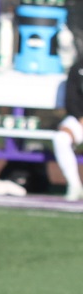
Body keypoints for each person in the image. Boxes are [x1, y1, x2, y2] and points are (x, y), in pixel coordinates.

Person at [52, 55, 83, 201]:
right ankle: (74, 185)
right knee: (61, 138)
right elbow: (71, 99)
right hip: (79, 119)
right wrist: (80, 117)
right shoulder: (78, 67)